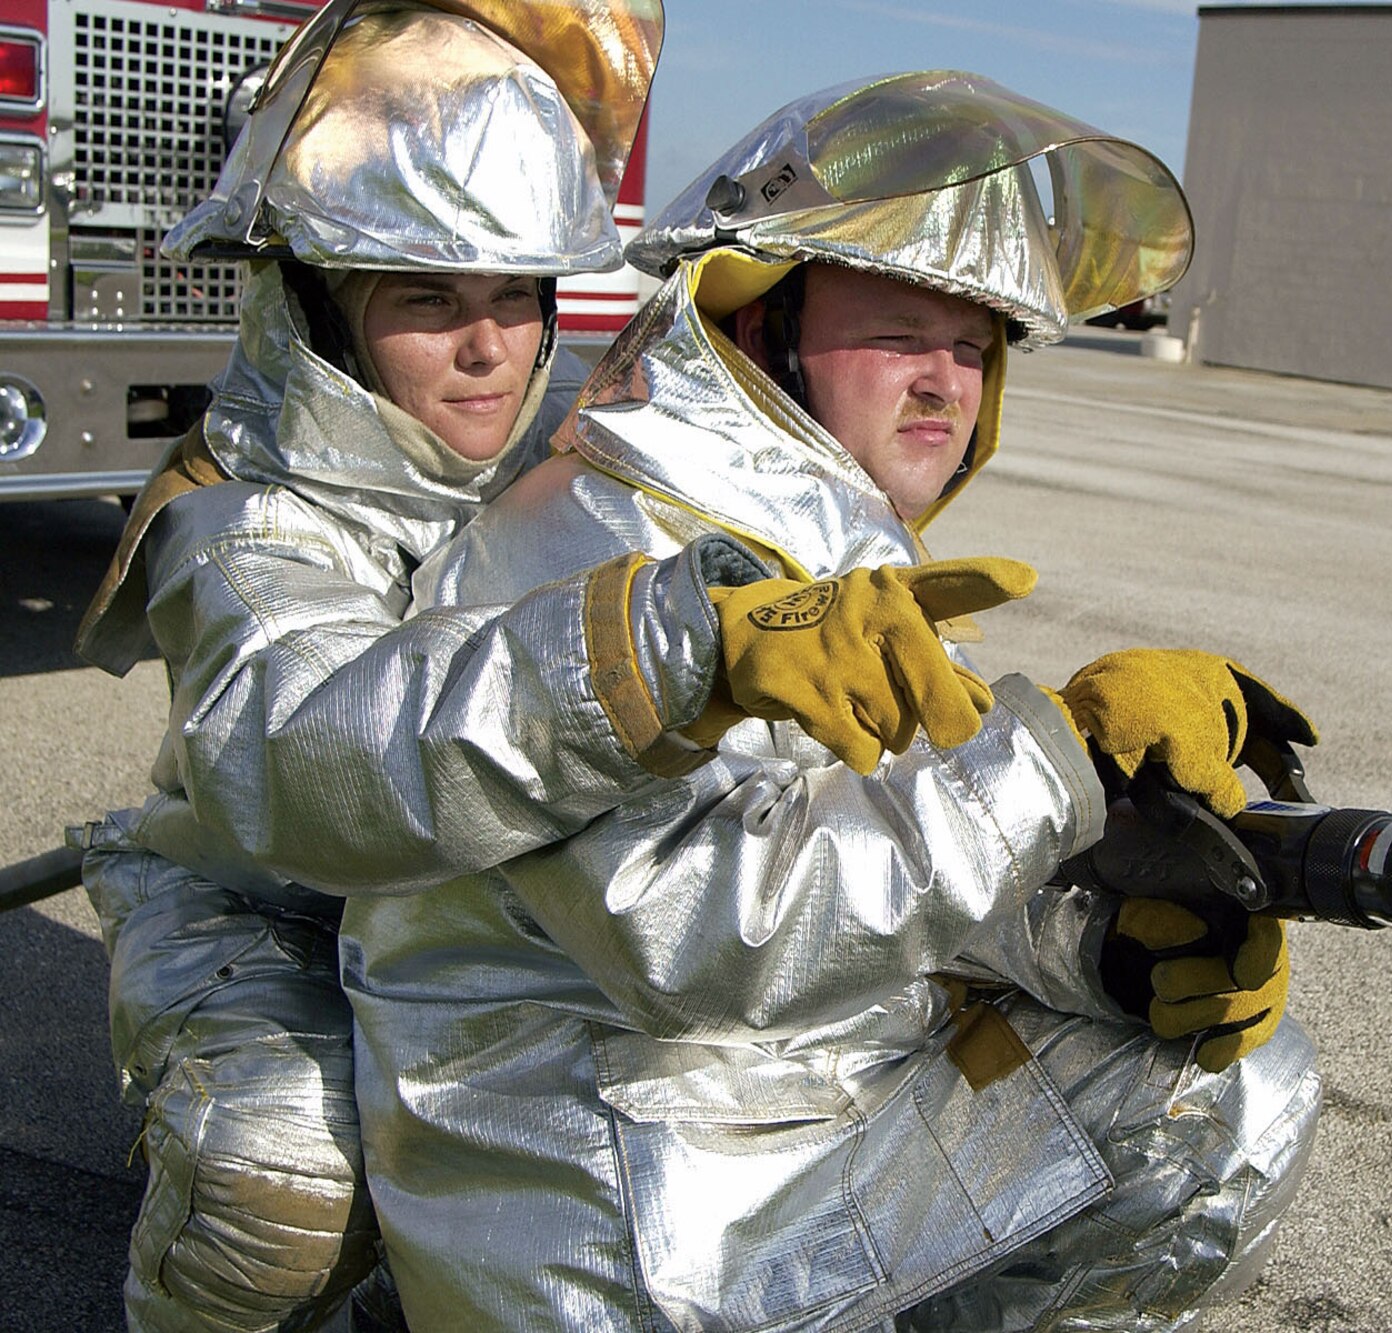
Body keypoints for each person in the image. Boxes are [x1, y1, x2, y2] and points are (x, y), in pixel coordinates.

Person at [342, 71, 1323, 1330]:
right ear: (759, 327)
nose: (945, 386)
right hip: (604, 1186)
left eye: (972, 350)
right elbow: (699, 934)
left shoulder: (826, 542)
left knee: (1224, 1091)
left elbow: (888, 853)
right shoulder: (598, 539)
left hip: (773, 1105)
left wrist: (1099, 952)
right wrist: (1050, 761)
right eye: (901, 336)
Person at [68, 5, 676, 1327]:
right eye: (426, 302)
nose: (488, 348)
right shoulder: (233, 525)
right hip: (262, 898)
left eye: (517, 296)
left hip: (464, 895)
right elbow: (312, 759)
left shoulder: (568, 476)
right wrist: (629, 663)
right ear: (329, 316)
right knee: (281, 1164)